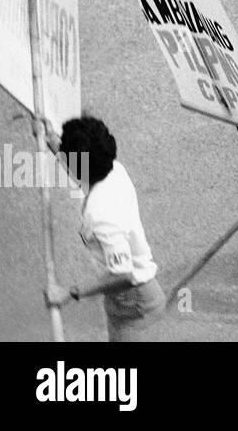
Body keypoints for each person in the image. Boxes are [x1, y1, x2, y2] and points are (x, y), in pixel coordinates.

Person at [45, 114, 167, 341]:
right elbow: (85, 174)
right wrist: (57, 148)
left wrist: (68, 293)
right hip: (137, 298)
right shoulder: (114, 169)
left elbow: (123, 275)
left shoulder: (100, 215)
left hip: (133, 305)